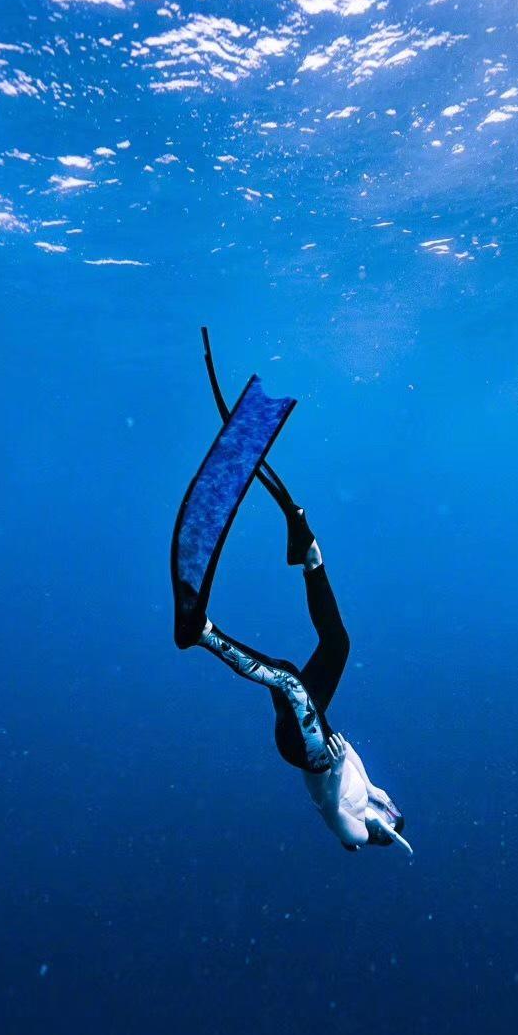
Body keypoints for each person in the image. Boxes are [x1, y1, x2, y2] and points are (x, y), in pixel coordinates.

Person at [178, 335, 411, 857]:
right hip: (317, 731)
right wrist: (378, 797)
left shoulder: (353, 829)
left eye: (387, 828)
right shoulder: (371, 795)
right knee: (339, 645)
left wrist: (378, 828)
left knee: (284, 674)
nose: (386, 823)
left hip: (302, 749)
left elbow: (337, 817)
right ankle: (309, 556)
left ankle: (202, 633)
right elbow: (375, 793)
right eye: (389, 821)